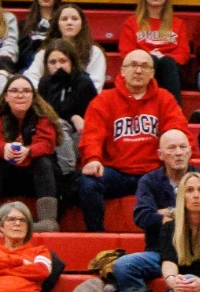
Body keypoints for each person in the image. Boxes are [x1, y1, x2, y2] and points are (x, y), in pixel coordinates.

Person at [107, 128, 200, 292]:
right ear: (160, 154)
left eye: (183, 147)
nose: (178, 153)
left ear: (190, 151)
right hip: (160, 252)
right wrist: (185, 212)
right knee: (123, 265)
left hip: (199, 253)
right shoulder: (149, 181)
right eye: (171, 148)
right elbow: (142, 216)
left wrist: (166, 213)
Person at [77, 51, 189, 233]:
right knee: (88, 182)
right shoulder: (104, 100)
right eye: (133, 65)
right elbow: (92, 135)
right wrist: (93, 159)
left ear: (153, 73)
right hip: (116, 172)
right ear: (122, 71)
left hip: (153, 172)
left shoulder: (164, 98)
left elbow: (177, 130)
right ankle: (96, 235)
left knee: (185, 181)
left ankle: (174, 237)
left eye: (144, 66)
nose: (138, 70)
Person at [0, 75, 61, 233]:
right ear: (6, 96)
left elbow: (46, 143)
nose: (20, 95)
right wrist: (4, 148)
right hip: (6, 176)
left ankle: (48, 221)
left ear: (33, 95)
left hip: (34, 175)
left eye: (26, 91)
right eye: (14, 91)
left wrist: (29, 151)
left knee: (43, 161)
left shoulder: (43, 118)